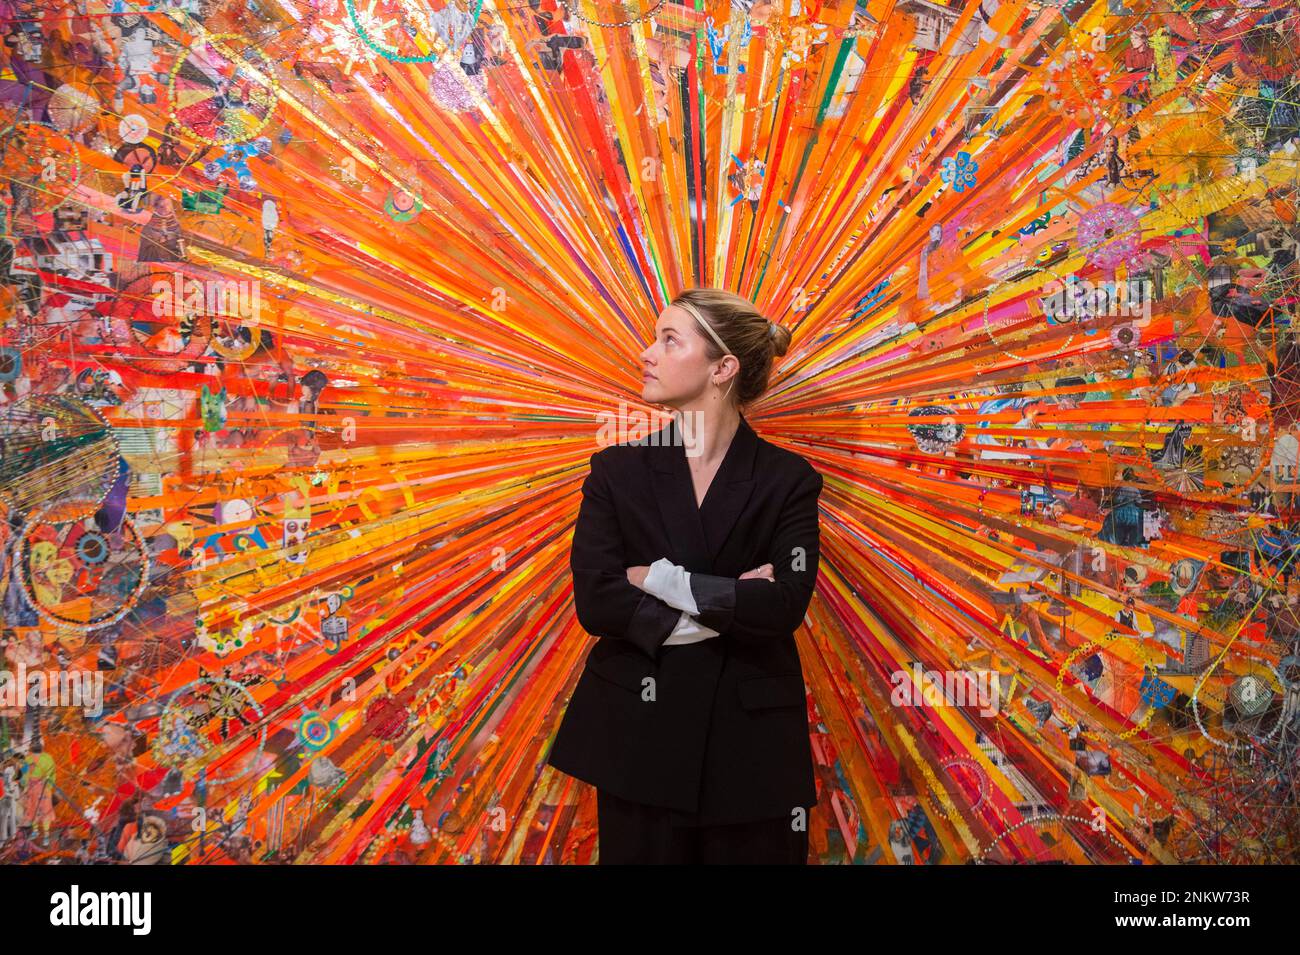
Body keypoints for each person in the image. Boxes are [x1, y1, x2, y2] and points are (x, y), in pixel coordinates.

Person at [545, 287, 824, 864]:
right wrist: (731, 600)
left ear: (723, 367)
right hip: (639, 742)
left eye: (669, 340)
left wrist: (662, 582)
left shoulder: (787, 478)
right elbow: (597, 602)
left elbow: (784, 606)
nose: (646, 353)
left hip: (750, 752)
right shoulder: (616, 472)